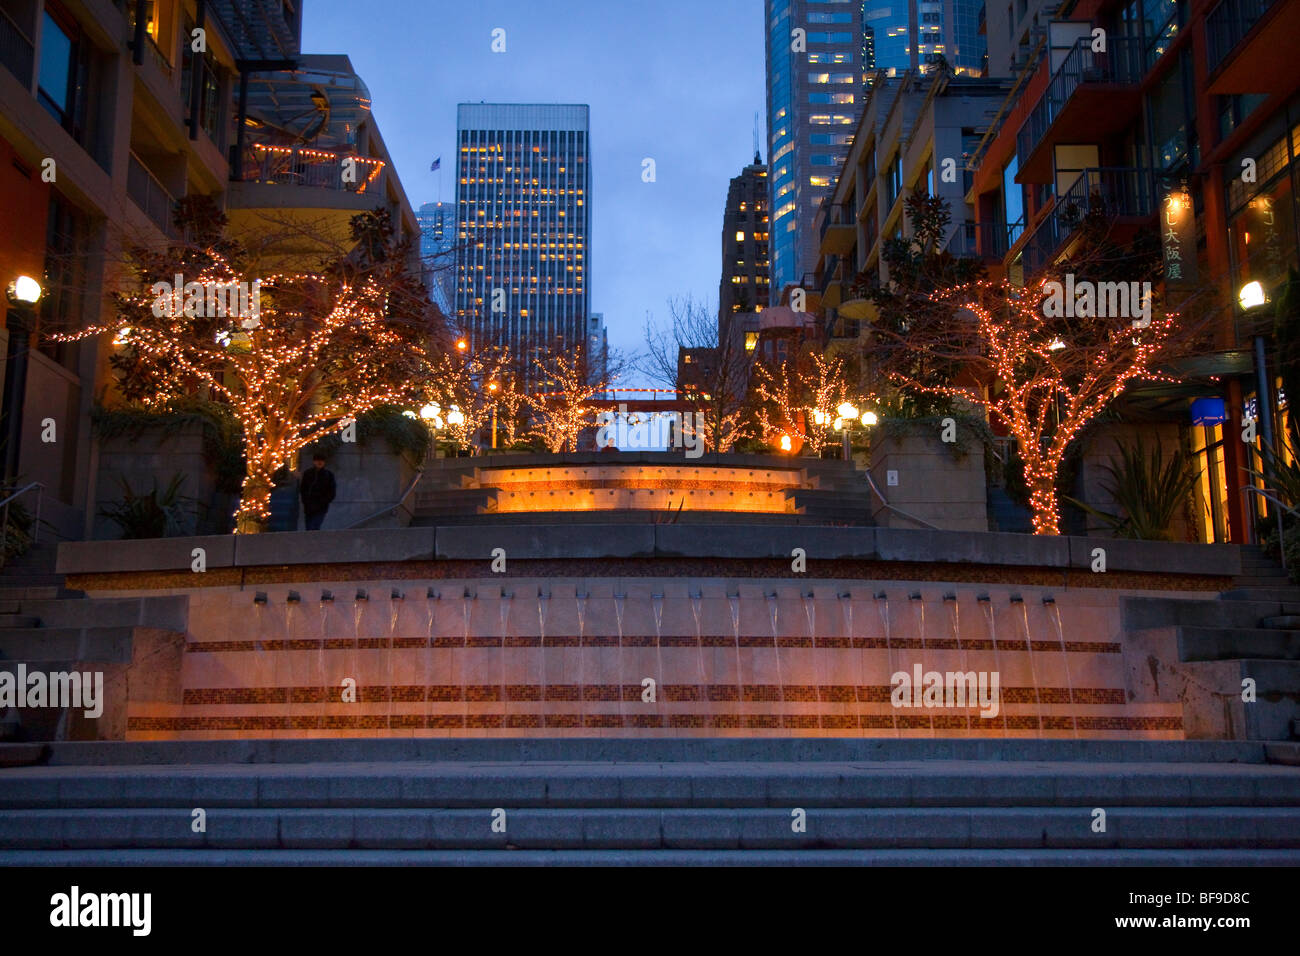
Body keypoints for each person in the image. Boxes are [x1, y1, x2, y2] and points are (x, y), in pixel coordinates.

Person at [299, 454, 336, 531]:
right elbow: (303, 489)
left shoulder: (328, 475)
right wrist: (306, 501)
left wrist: (324, 501)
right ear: (314, 461)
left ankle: (312, 541)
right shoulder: (308, 473)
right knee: (311, 527)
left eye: (321, 460)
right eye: (317, 460)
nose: (319, 462)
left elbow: (332, 491)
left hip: (320, 506)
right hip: (310, 506)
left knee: (314, 527)